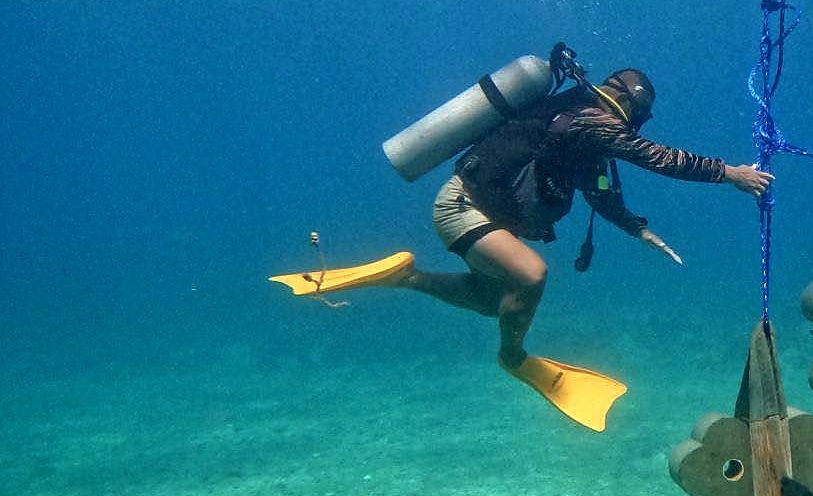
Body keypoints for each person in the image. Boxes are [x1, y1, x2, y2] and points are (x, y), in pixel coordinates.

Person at [272, 67, 771, 427]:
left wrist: (636, 228)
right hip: (463, 208)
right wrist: (728, 173)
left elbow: (599, 189)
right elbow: (651, 156)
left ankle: (404, 276)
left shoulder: (579, 126)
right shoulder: (590, 119)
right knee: (531, 275)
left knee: (498, 301)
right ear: (633, 110)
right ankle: (512, 358)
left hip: (480, 214)